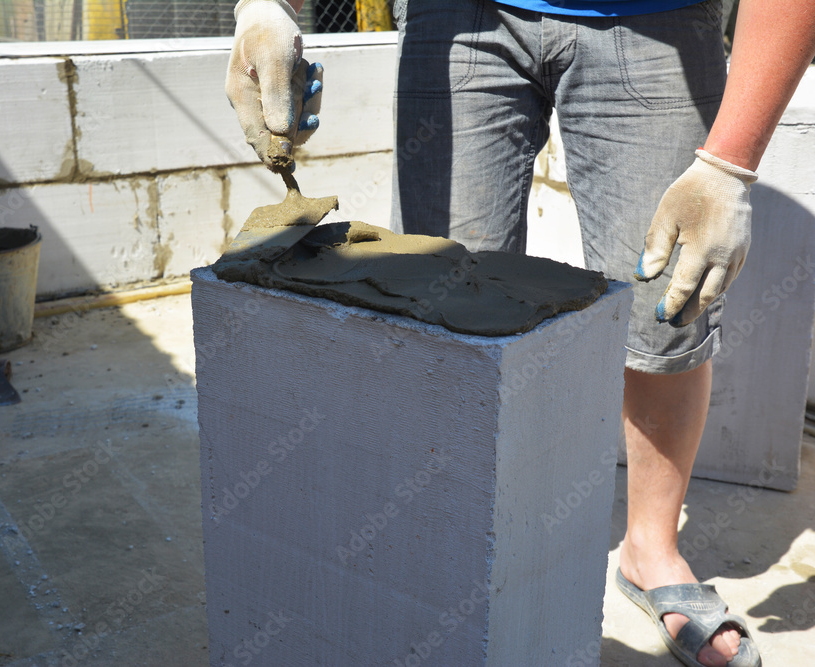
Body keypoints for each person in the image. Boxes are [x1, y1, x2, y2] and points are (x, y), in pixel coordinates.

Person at [225, 0, 815, 665]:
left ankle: (651, 549)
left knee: (667, 311)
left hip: (657, 18)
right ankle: (444, 540)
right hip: (459, 21)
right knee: (438, 307)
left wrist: (729, 165)